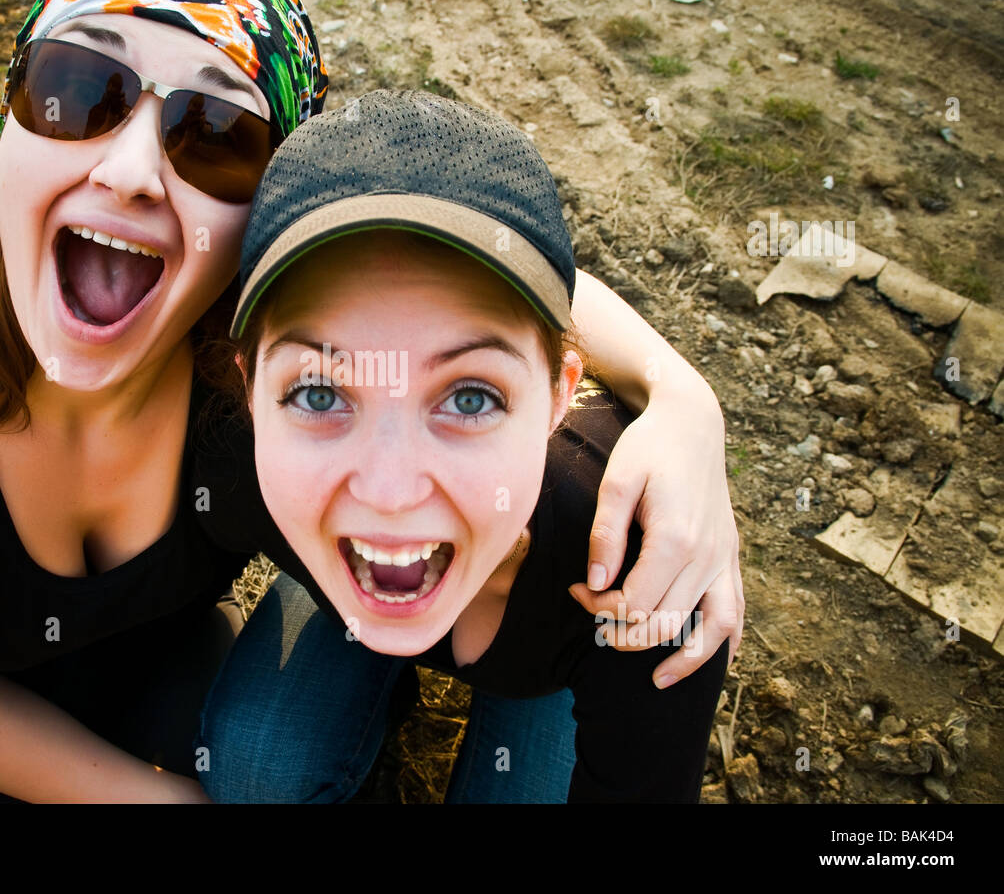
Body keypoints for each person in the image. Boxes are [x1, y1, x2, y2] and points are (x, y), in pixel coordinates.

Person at [0, 0, 739, 804]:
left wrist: (681, 400)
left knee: (258, 764)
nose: (129, 168)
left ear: (268, 227)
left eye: (214, 136)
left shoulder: (246, 364)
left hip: (156, 651)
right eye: (78, 90)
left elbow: (475, 266)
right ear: (11, 127)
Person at [197, 90, 727, 802]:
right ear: (250, 389)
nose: (389, 492)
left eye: (469, 397)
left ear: (559, 396)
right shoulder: (224, 457)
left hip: (561, 650)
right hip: (338, 593)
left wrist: (689, 402)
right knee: (255, 770)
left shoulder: (644, 566)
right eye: (320, 395)